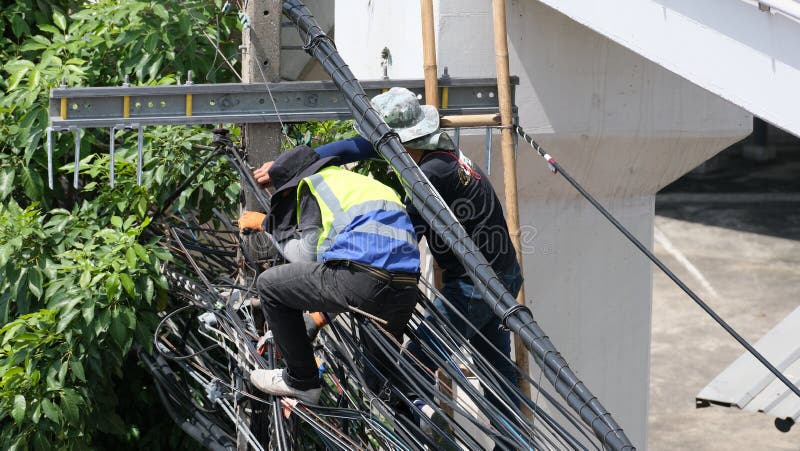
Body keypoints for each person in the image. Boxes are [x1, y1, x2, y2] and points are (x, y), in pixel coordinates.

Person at [314, 87, 524, 427]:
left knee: (416, 364)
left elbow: (401, 241)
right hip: (502, 275)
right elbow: (361, 147)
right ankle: (512, 442)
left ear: (402, 141)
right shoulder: (437, 152)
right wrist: (306, 157)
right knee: (497, 375)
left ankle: (418, 430)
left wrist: (334, 302)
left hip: (476, 285)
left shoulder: (430, 177)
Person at [243, 144, 421, 404]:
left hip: (362, 280)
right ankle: (412, 416)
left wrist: (265, 224)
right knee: (381, 379)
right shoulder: (364, 185)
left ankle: (302, 381)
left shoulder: (313, 186)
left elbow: (306, 256)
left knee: (270, 284)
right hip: (405, 289)